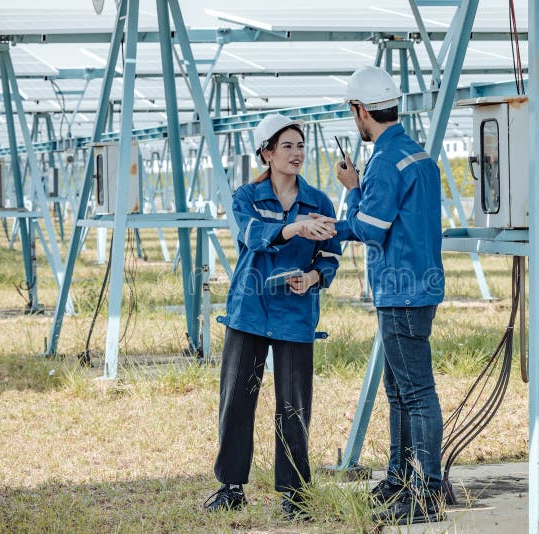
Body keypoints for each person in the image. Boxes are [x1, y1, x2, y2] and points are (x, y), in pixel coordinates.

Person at [204, 113, 341, 520]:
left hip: (295, 313)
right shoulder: (246, 197)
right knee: (236, 399)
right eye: (288, 146)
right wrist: (293, 228)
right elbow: (251, 237)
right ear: (266, 153)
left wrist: (315, 276)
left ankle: (295, 496)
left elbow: (331, 255)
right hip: (249, 309)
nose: (297, 153)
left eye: (301, 145)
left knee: (294, 405)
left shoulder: (320, 203)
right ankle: (230, 487)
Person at [333, 66, 446, 525]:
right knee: (399, 389)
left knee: (415, 392)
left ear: (362, 111)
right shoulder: (417, 154)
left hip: (400, 290)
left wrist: (349, 194)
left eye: (352, 113)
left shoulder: (382, 161)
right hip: (421, 284)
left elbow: (370, 229)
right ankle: (401, 477)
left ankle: (427, 490)